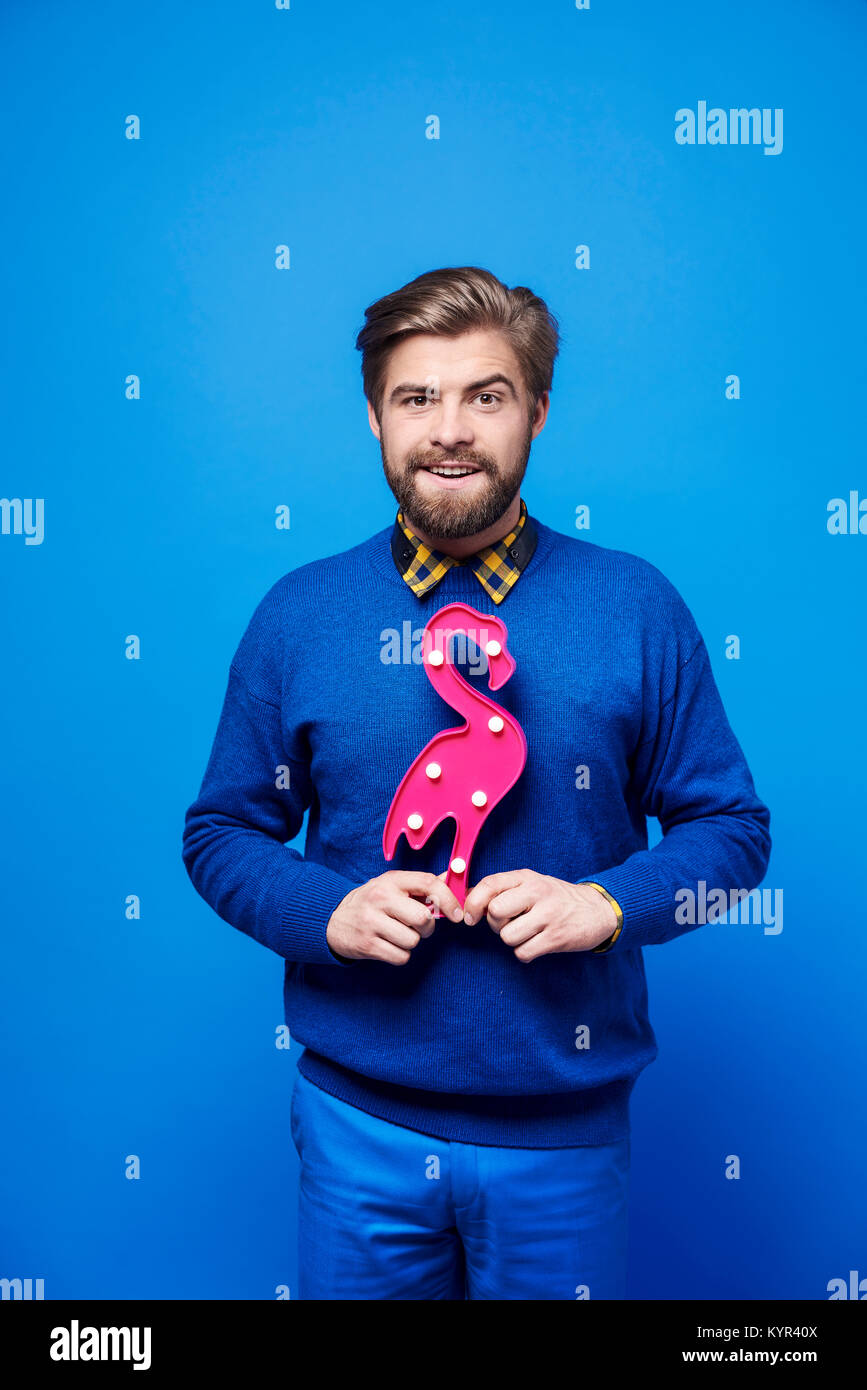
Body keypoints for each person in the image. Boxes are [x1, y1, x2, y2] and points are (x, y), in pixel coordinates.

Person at [182, 265, 771, 1301]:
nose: (450, 430)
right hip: (360, 1125)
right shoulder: (299, 616)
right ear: (374, 415)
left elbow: (732, 832)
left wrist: (607, 901)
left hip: (566, 1140)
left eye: (485, 395)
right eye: (418, 397)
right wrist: (329, 911)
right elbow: (222, 830)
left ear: (537, 410)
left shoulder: (635, 608)